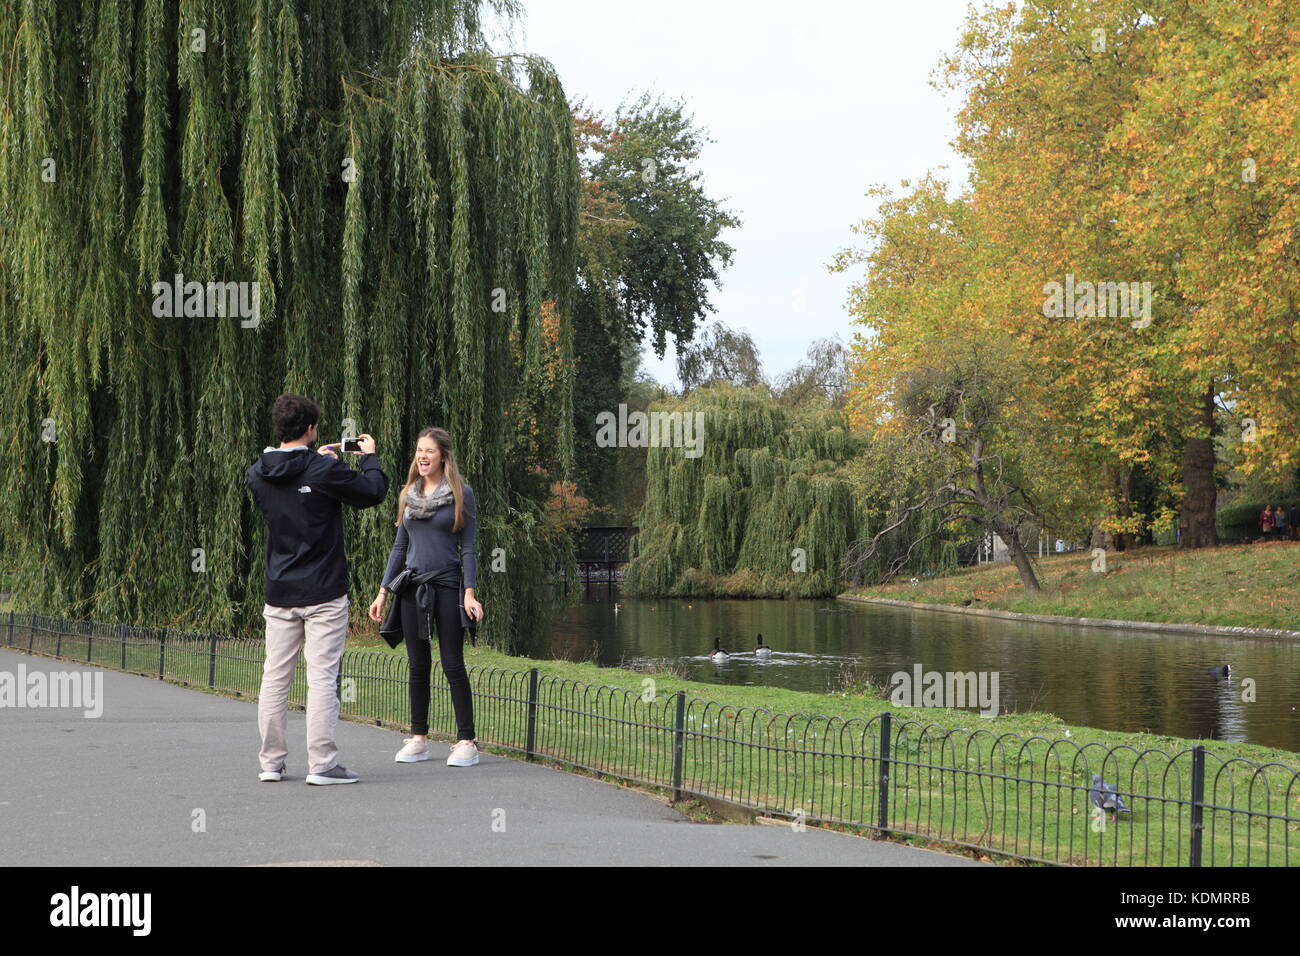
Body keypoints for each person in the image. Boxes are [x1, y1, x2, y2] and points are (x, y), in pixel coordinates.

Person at [246, 394, 389, 785]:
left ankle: (270, 763)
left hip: (280, 590)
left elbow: (291, 493)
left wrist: (318, 465)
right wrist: (369, 456)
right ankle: (322, 764)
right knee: (322, 676)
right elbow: (373, 492)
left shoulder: (257, 473)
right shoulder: (321, 470)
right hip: (324, 589)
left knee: (275, 676)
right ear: (311, 429)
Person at [369, 427, 483, 767]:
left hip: (448, 585)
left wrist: (470, 594)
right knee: (417, 665)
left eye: (429, 451)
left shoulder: (463, 494)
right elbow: (400, 547)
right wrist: (383, 592)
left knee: (452, 663)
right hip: (412, 586)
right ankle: (418, 738)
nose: (422, 456)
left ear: (443, 457)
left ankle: (466, 741)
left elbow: (469, 548)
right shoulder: (408, 494)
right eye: (419, 450)